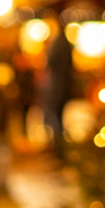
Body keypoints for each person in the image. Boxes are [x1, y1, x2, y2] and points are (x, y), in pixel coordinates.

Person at [41, 16, 74, 153]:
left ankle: (58, 147)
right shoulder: (64, 42)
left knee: (55, 115)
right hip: (61, 84)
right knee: (57, 115)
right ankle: (58, 146)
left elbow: (51, 62)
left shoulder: (59, 43)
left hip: (58, 85)